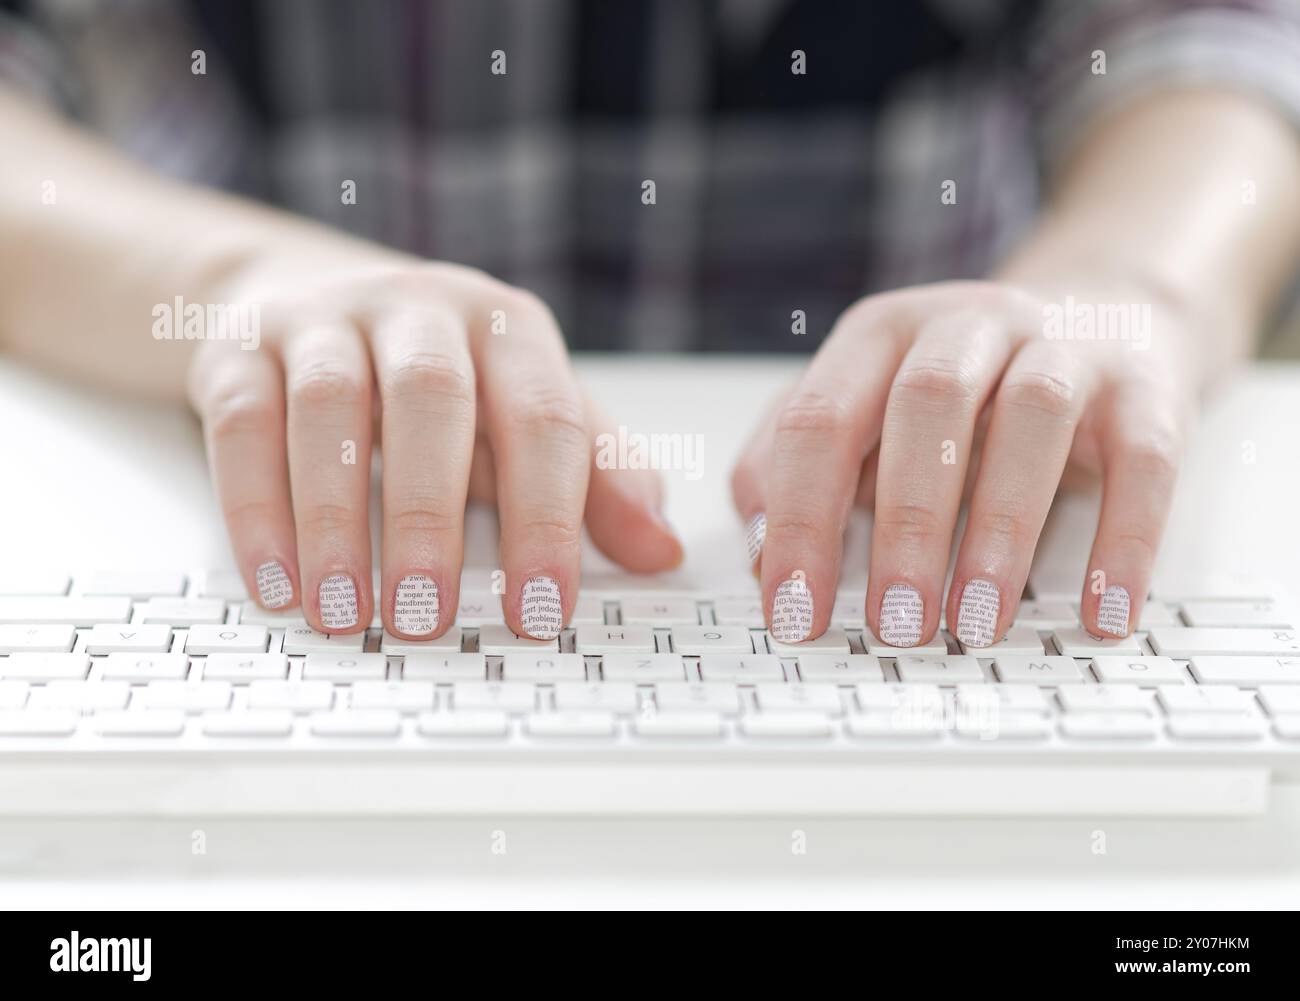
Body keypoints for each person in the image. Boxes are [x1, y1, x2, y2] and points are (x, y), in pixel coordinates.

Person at [1, 0, 1298, 645]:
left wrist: (1127, 286)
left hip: (942, 465)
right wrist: (232, 282)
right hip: (299, 436)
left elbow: (1207, 39)